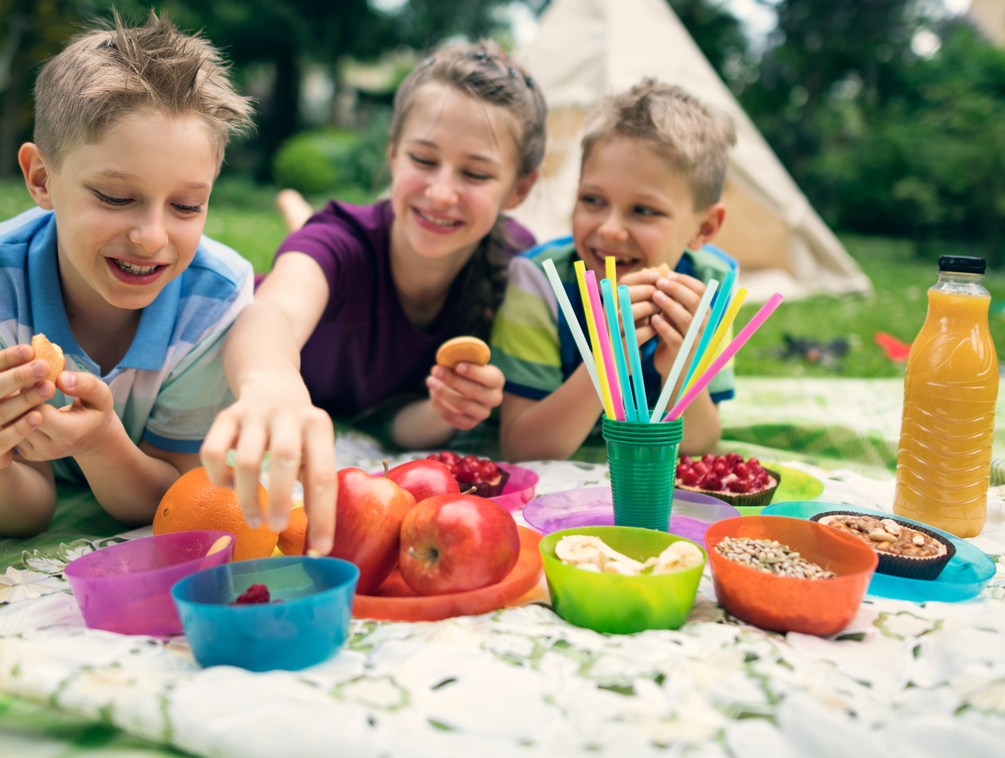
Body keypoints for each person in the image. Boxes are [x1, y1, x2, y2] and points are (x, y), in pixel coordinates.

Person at [0, 12, 256, 537]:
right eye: (116, 197)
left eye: (187, 206)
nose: (151, 236)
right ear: (41, 178)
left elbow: (173, 498)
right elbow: (23, 513)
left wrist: (100, 442)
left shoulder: (215, 298)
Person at [201, 42, 546, 521]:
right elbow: (271, 311)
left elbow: (395, 423)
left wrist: (448, 409)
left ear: (519, 188)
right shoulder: (340, 240)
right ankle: (294, 208)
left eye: (475, 173)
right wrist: (270, 382)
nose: (442, 192)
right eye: (423, 161)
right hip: (265, 345)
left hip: (366, 411)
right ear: (392, 155)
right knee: (303, 231)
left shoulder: (517, 268)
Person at [492, 79, 737, 462]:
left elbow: (699, 446)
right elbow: (520, 448)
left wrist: (682, 365)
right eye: (592, 200)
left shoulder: (711, 287)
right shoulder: (540, 283)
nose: (608, 229)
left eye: (644, 210)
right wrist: (604, 359)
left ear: (703, 227)